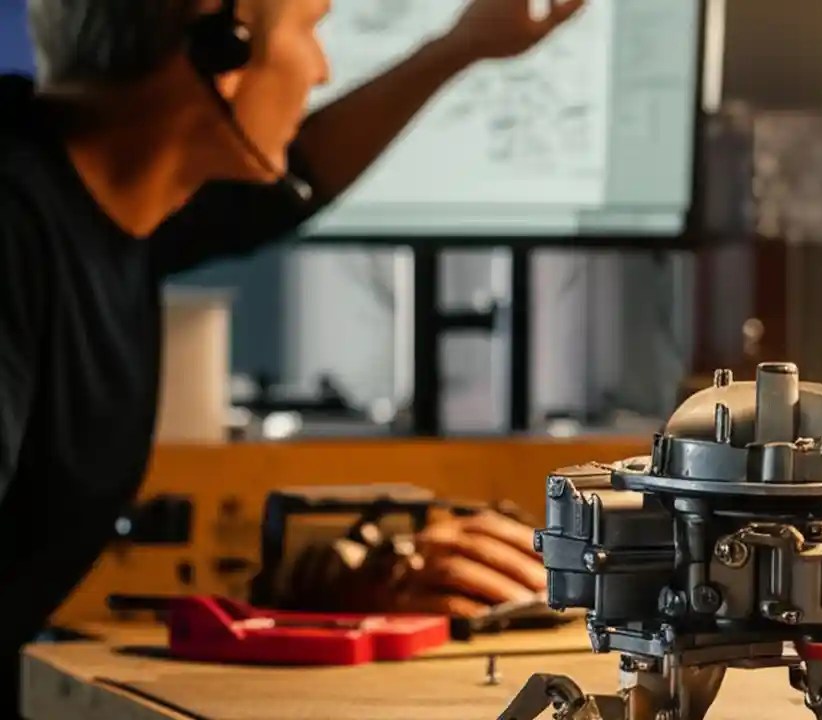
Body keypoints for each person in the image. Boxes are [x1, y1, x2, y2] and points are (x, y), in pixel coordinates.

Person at [0, 0, 582, 713]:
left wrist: (460, 47)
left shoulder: (88, 205)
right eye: (310, 29)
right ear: (223, 42)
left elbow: (292, 180)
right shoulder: (13, 229)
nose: (322, 68)